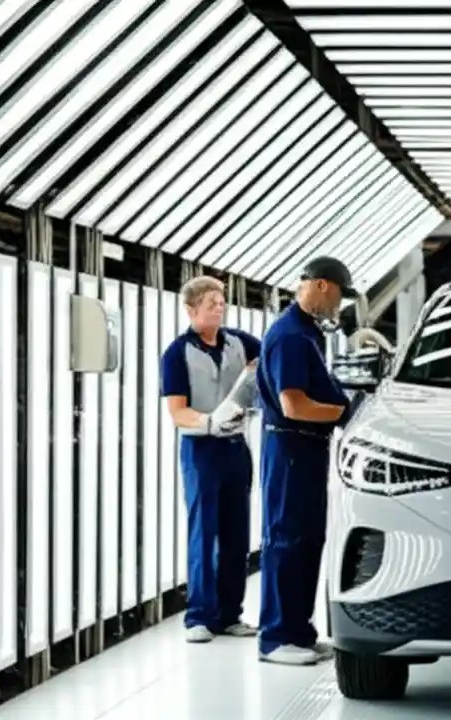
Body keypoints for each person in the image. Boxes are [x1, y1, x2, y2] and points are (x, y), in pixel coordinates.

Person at [255, 256, 359, 665]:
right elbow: (294, 405)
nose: (339, 305)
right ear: (321, 285)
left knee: (307, 539)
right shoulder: (291, 337)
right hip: (290, 450)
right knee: (286, 539)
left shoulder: (308, 333)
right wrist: (346, 412)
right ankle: (276, 637)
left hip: (307, 450)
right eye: (338, 296)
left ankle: (299, 631)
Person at [160, 276, 262, 643]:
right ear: (191, 309)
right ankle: (199, 617)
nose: (219, 308)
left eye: (221, 302)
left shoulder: (240, 342)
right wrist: (209, 422)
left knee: (237, 534)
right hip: (201, 450)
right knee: (203, 532)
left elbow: (269, 358)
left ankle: (229, 615)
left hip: (236, 448)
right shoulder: (176, 354)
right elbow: (177, 411)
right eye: (210, 303)